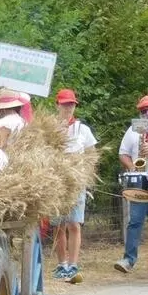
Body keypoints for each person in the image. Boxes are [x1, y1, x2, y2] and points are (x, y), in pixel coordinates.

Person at [51, 89, 97, 283]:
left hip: (76, 180)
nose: (68, 108)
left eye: (71, 104)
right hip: (56, 180)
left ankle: (73, 263)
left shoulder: (82, 129)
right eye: (65, 104)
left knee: (74, 223)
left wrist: (85, 173)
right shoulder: (50, 128)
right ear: (57, 105)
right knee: (58, 225)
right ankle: (62, 264)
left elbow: (92, 154)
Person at [115, 94, 148, 273]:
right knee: (135, 221)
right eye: (143, 111)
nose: (146, 113)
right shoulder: (134, 129)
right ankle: (128, 260)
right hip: (140, 180)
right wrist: (131, 166)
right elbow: (123, 152)